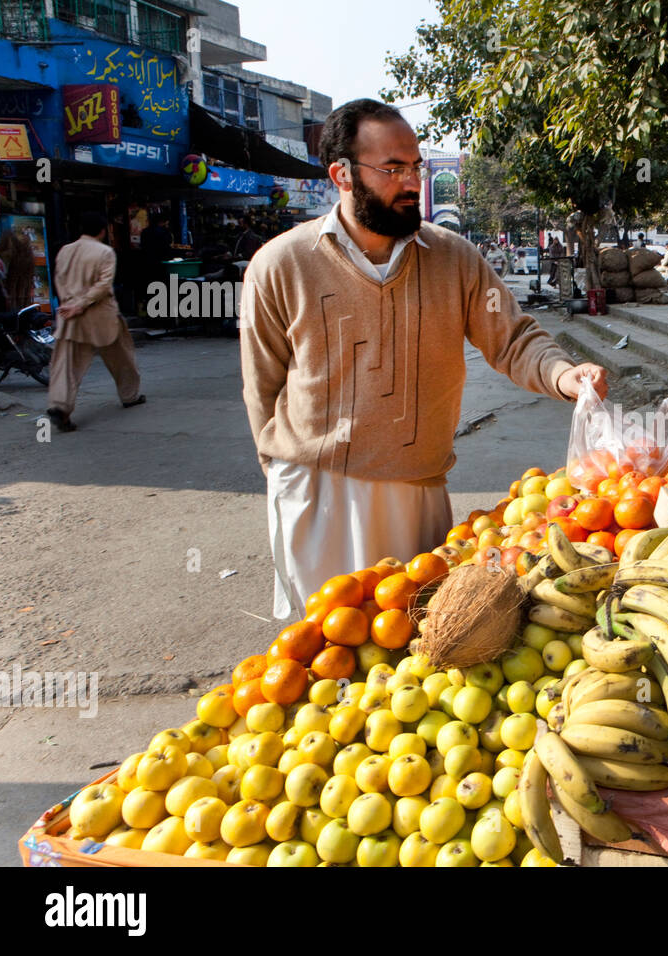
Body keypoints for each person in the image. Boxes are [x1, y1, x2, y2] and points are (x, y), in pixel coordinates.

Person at [239, 98, 607, 620]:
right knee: (325, 649)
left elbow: (513, 337)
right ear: (342, 175)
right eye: (392, 168)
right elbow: (262, 384)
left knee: (419, 638)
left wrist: (564, 374)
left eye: (415, 167)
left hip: (416, 489)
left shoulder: (454, 258)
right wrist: (279, 470)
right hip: (315, 492)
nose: (411, 182)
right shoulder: (281, 264)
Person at [46, 212, 145, 432]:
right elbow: (103, 285)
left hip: (69, 315)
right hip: (100, 315)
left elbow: (59, 280)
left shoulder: (65, 251)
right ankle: (130, 396)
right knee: (122, 358)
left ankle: (60, 406)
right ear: (102, 231)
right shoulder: (105, 252)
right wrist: (81, 303)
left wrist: (70, 303)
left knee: (67, 365)